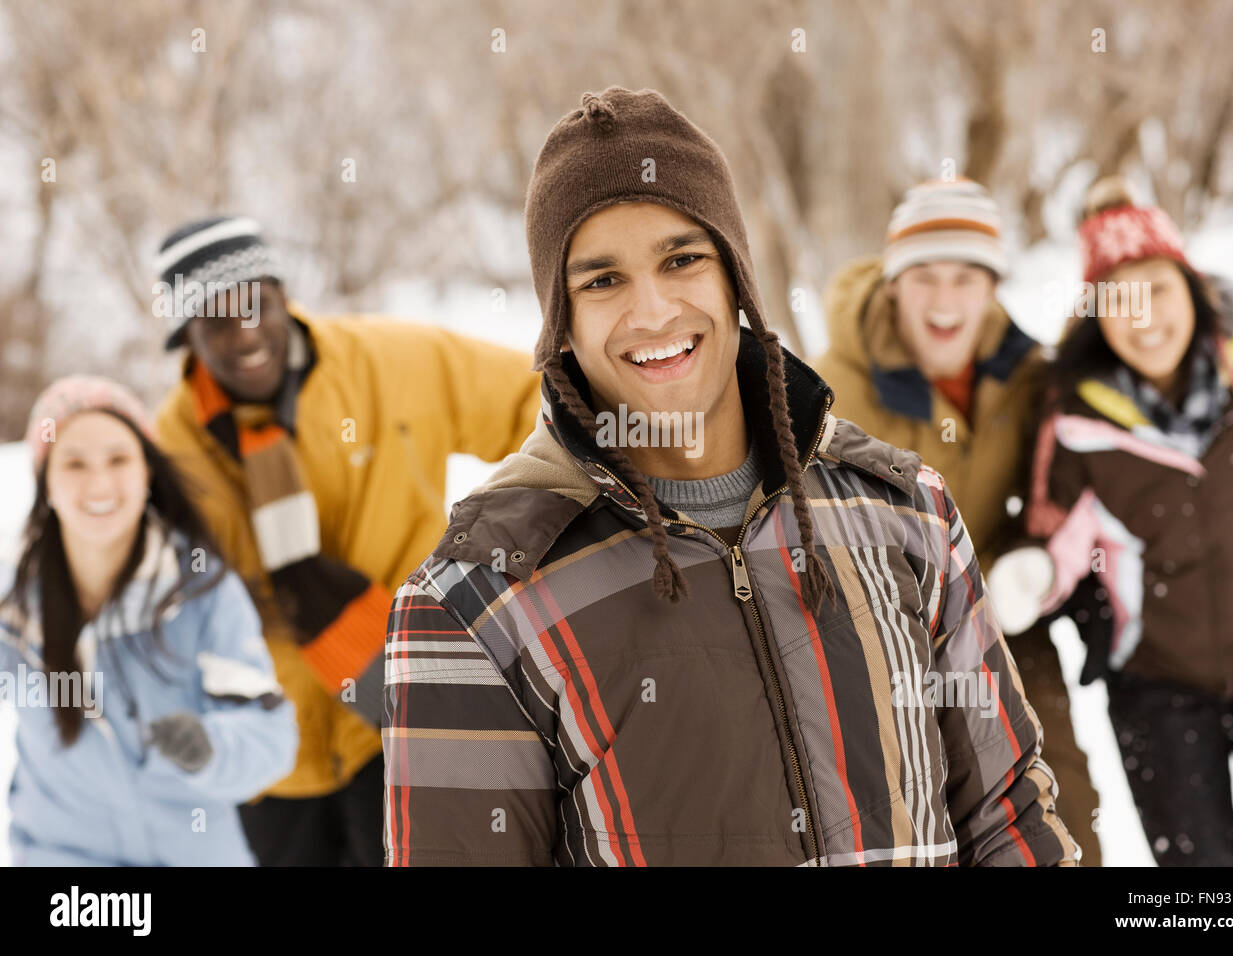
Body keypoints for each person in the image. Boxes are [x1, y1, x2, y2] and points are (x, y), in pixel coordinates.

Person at [382, 87, 1080, 866]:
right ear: (562, 325)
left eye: (682, 259)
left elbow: (1005, 812)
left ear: (735, 282)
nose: (652, 311)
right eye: (602, 281)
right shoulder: (477, 599)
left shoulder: (905, 512)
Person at [152, 216, 540, 865]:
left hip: (405, 710)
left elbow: (540, 406)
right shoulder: (171, 450)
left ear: (281, 295)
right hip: (273, 752)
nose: (245, 332)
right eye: (216, 320)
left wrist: (507, 545)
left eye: (257, 304)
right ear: (187, 338)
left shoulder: (391, 362)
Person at [997, 176, 1233, 866]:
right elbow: (1062, 540)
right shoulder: (1077, 420)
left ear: (1192, 291)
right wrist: (1032, 577)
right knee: (1200, 872)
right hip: (1157, 681)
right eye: (1117, 299)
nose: (1143, 316)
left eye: (1158, 289)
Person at [815, 178, 1103, 864]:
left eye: (967, 277)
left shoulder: (1027, 374)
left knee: (1061, 809)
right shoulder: (833, 389)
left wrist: (1023, 564)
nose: (946, 300)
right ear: (893, 286)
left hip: (1002, 619)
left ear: (993, 287)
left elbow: (1060, 487)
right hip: (881, 631)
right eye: (925, 277)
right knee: (917, 822)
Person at [0, 376, 296, 866]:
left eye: (118, 459)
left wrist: (211, 748)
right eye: (74, 462)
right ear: (45, 479)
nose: (99, 484)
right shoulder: (14, 604)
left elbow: (271, 737)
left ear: (147, 473)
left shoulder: (202, 591)